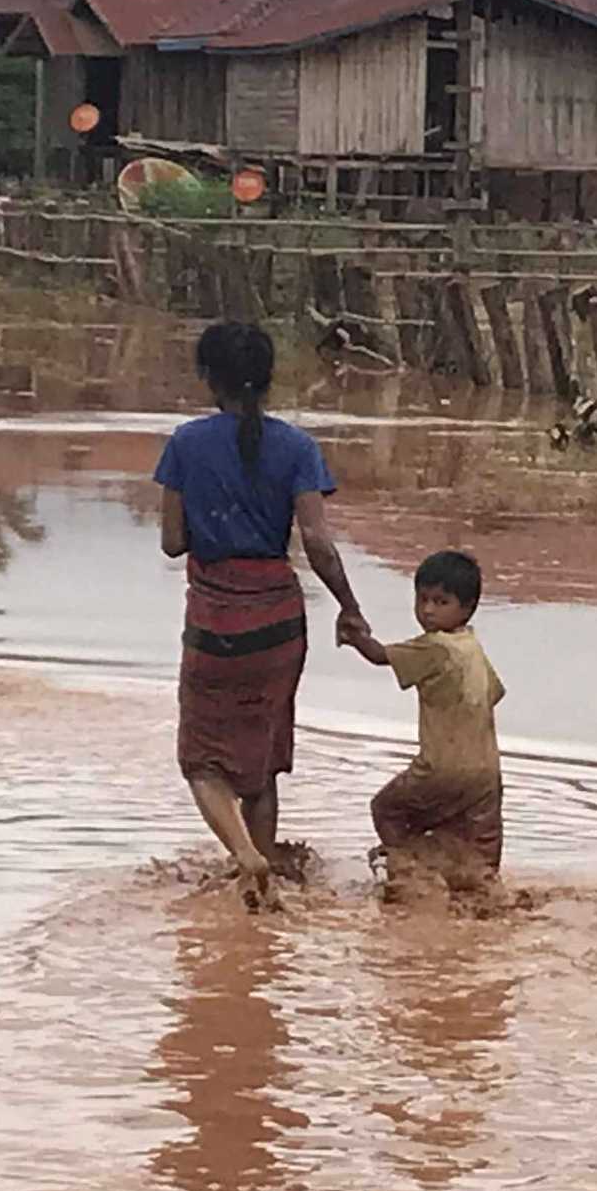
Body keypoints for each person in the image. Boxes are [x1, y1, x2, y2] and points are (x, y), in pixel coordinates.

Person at [155, 320, 370, 909]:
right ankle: (262, 884)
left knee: (202, 760)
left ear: (207, 377)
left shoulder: (185, 444)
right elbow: (318, 544)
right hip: (279, 617)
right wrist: (351, 611)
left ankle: (245, 858)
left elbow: (173, 542)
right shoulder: (298, 447)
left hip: (215, 615)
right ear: (269, 378)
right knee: (263, 761)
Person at [340, 549, 507, 889]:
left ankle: (413, 875)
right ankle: (480, 894)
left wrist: (354, 635)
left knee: (387, 810)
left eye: (440, 602)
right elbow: (494, 694)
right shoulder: (472, 648)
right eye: (422, 600)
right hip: (487, 772)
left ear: (468, 606)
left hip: (441, 767)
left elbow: (378, 656)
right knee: (481, 853)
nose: (428, 610)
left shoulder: (434, 647)